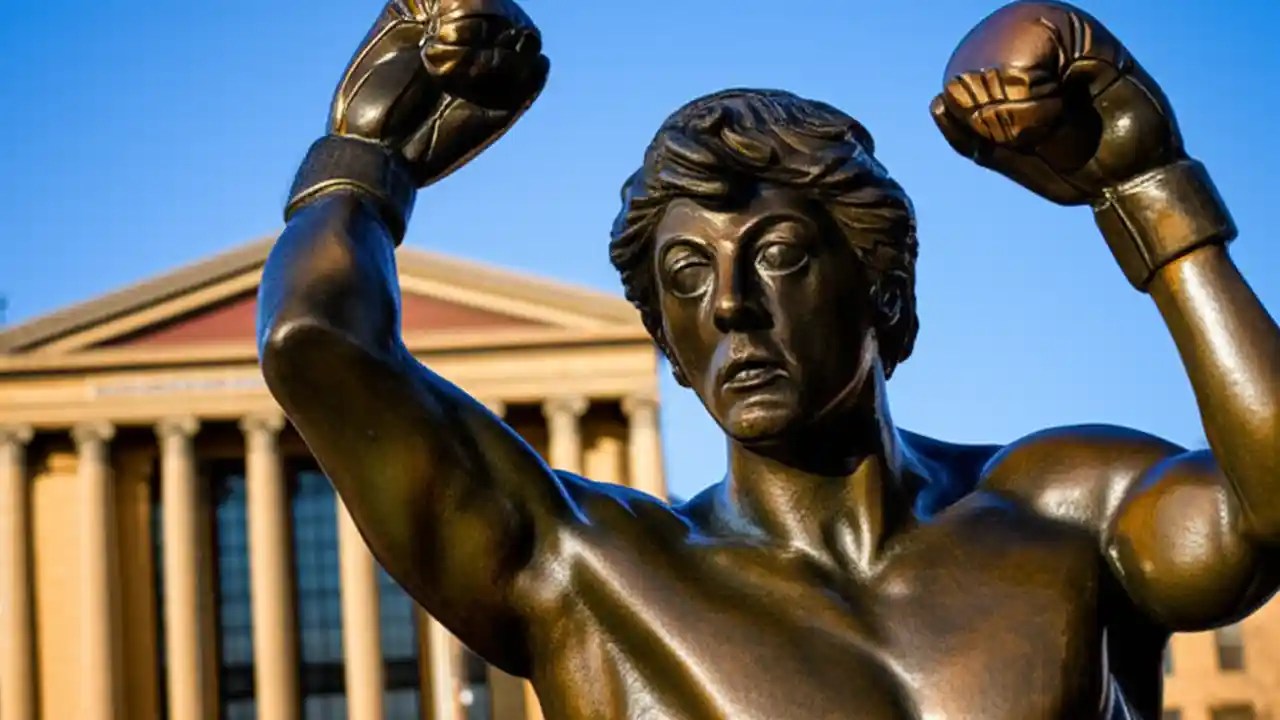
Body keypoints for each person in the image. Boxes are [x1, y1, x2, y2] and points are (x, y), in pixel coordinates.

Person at [257, 1, 1279, 717]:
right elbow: (316, 347)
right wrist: (362, 157)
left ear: (878, 287)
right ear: (668, 342)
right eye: (687, 281)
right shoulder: (591, 572)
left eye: (778, 258)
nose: (733, 307)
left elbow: (1266, 509)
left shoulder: (1061, 504)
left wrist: (1147, 188)